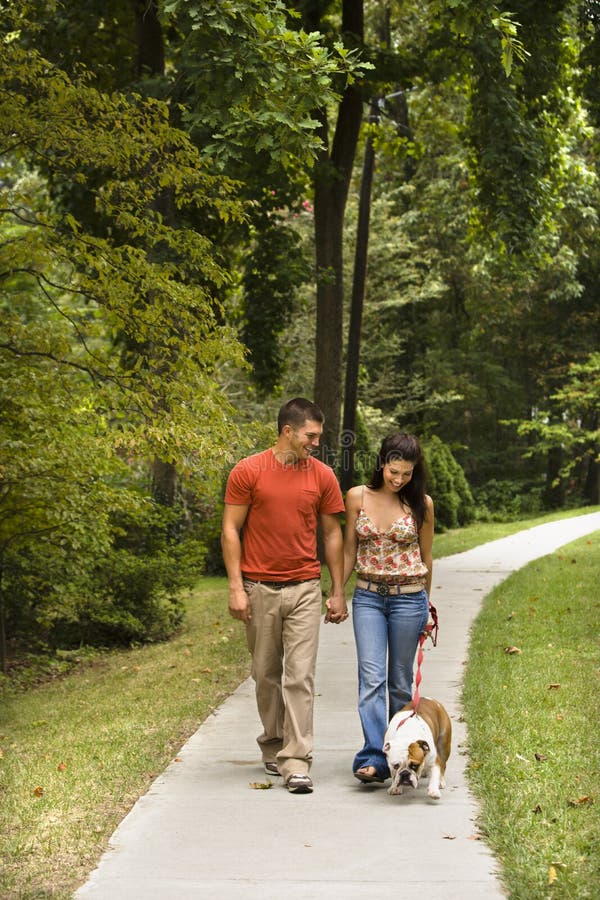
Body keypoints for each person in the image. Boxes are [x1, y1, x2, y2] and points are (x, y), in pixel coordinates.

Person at [221, 398, 347, 794]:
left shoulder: (322, 476)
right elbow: (230, 530)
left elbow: (331, 534)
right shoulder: (248, 471)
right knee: (265, 675)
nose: (315, 443)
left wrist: (338, 590)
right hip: (259, 588)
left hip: (306, 587)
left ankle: (296, 760)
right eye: (310, 436)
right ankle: (273, 744)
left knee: (300, 677)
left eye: (319, 437)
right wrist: (236, 587)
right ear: (287, 431)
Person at [343, 432, 434, 784]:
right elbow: (350, 550)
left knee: (399, 683)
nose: (398, 480)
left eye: (406, 474)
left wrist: (426, 605)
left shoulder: (421, 505)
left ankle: (403, 755)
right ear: (381, 463)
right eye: (393, 471)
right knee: (371, 680)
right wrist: (338, 591)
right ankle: (375, 757)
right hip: (367, 596)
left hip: (409, 598)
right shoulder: (357, 497)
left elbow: (427, 558)